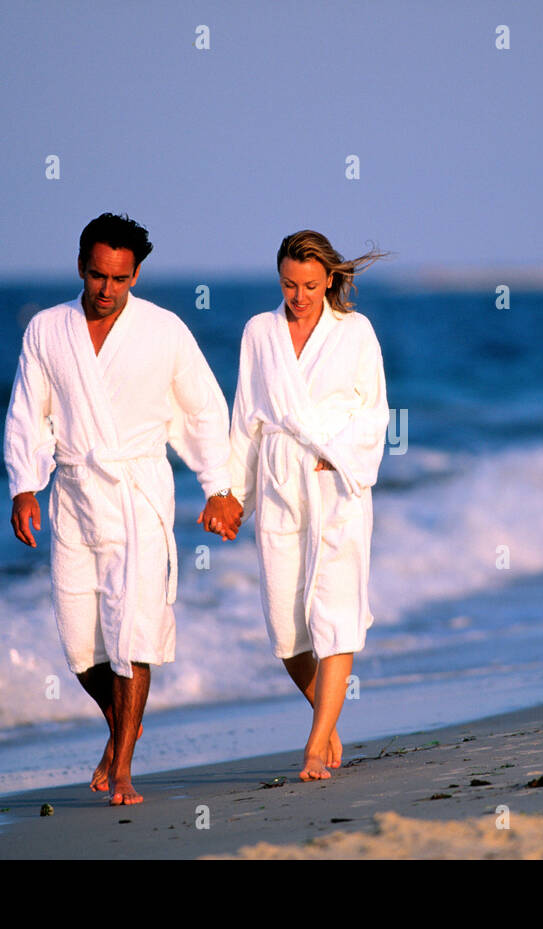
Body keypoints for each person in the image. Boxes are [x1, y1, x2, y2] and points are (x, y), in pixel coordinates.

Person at [4, 213, 242, 805]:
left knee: (131, 635)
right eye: (96, 275)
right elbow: (28, 412)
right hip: (76, 495)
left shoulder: (164, 331)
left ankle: (125, 769)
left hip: (137, 495)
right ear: (80, 266)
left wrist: (218, 485)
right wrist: (24, 485)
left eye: (119, 278)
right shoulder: (46, 330)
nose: (106, 289)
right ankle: (123, 727)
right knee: (82, 646)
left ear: (136, 274)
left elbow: (204, 411)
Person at [216, 230, 389, 782]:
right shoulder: (259, 333)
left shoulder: (355, 332)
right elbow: (246, 417)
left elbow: (374, 413)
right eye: (290, 284)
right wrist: (230, 494)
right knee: (288, 631)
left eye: (310, 285)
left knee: (335, 617)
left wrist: (338, 456)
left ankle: (315, 746)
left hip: (335, 486)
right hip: (278, 485)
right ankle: (327, 715)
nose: (299, 296)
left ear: (330, 280)